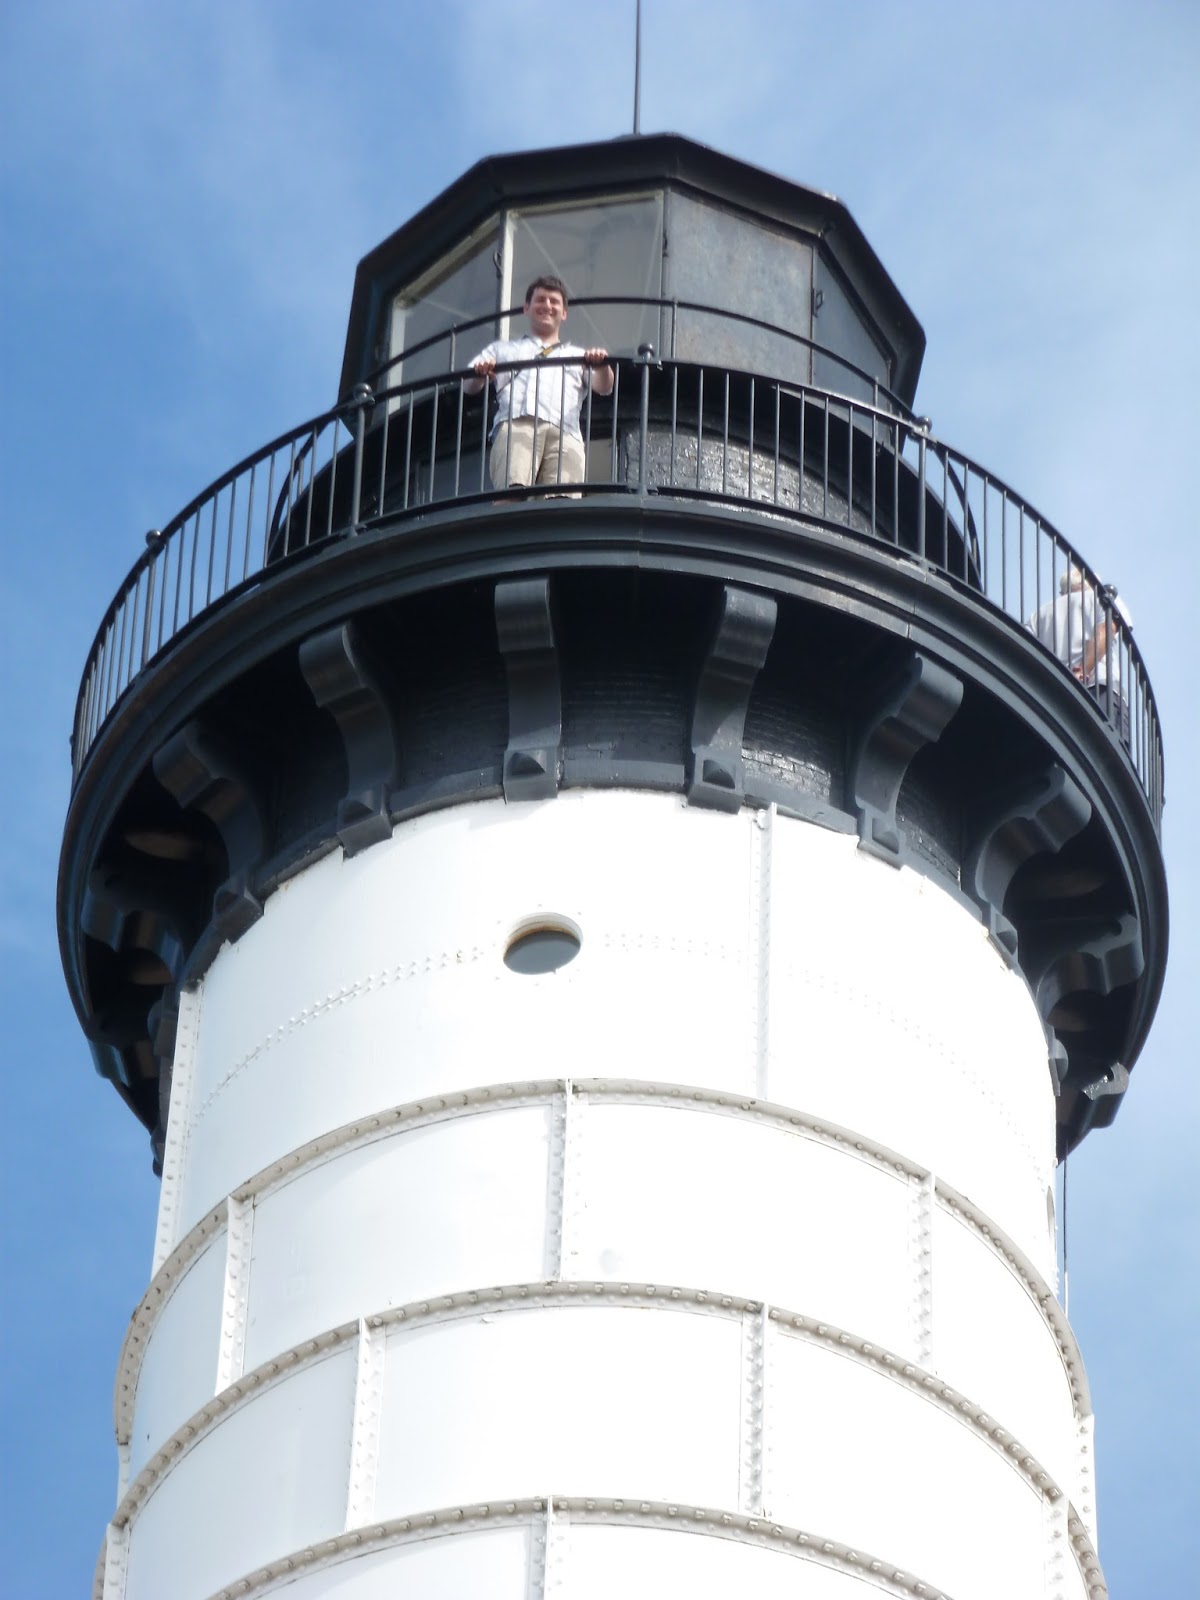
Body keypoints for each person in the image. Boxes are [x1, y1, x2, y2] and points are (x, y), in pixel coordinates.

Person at [466, 275, 614, 493]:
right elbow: (469, 386)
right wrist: (480, 372)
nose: (547, 305)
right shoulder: (502, 350)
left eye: (554, 301)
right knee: (511, 493)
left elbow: (605, 387)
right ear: (526, 308)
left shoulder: (578, 355)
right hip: (518, 422)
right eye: (540, 300)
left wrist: (602, 365)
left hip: (566, 432)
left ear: (564, 313)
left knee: (562, 503)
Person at [1027, 566, 1134, 739]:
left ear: (1063, 590)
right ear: (1090, 584)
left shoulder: (1038, 616)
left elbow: (1029, 654)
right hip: (1100, 688)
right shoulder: (1101, 597)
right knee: (1108, 753)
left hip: (1057, 700)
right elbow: (1106, 630)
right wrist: (1083, 669)